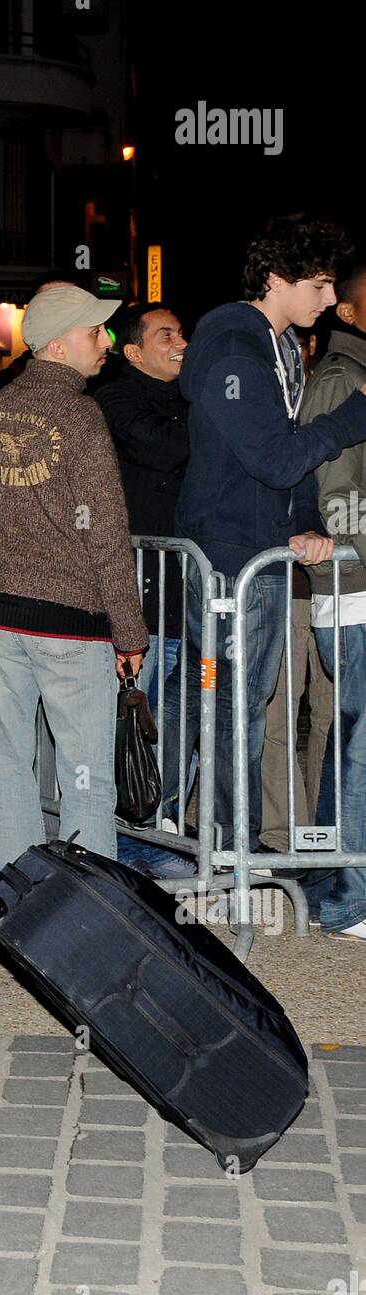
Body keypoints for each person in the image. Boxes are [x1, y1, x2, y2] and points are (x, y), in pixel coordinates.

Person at [0, 284, 148, 886]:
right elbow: (106, 533)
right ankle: (90, 908)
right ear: (57, 344)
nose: (104, 342)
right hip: (70, 627)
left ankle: (11, 900)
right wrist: (130, 631)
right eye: (92, 333)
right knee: (84, 773)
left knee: (5, 767)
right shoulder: (79, 415)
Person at [168, 215, 366, 853]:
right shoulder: (234, 346)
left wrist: (304, 525)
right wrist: (352, 419)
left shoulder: (275, 344)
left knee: (245, 705)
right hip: (232, 557)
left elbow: (283, 470)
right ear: (277, 279)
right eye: (320, 285)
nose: (331, 300)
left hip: (260, 552)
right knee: (232, 708)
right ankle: (227, 853)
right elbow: (276, 456)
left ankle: (230, 847)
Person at [301, 265, 366, 940]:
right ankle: (350, 899)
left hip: (355, 590)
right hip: (353, 593)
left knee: (350, 743)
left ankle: (328, 883)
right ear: (346, 313)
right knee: (358, 748)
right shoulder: (341, 382)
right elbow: (336, 498)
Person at [260, 327, 333, 852]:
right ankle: (287, 834)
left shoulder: (329, 394)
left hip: (336, 584)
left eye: (304, 344)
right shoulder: (267, 409)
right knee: (280, 714)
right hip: (284, 585)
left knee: (333, 714)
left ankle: (329, 828)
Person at [95, 302, 189, 709]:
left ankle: (172, 777)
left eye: (181, 332)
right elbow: (163, 448)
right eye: (165, 335)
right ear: (133, 352)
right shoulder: (113, 399)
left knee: (184, 715)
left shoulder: (189, 399)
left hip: (187, 589)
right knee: (137, 712)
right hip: (140, 596)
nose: (182, 343)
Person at [0, 273, 78, 399]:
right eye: (48, 304)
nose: (58, 313)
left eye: (67, 303)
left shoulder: (108, 375)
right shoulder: (7, 382)